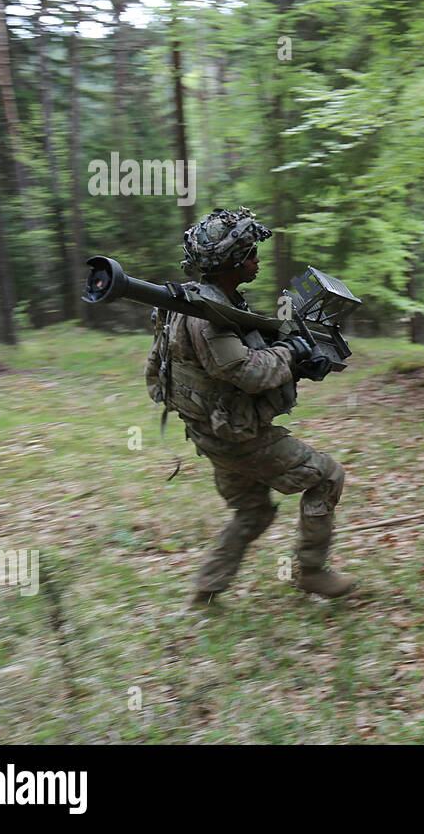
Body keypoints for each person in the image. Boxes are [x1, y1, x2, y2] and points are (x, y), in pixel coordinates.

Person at [145, 207, 357, 606]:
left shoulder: (201, 303)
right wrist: (290, 353)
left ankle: (207, 589)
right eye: (250, 254)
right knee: (328, 477)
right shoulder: (206, 318)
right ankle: (312, 572)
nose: (257, 260)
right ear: (231, 262)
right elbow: (247, 373)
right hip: (237, 437)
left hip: (213, 432)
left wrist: (294, 361)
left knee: (254, 511)